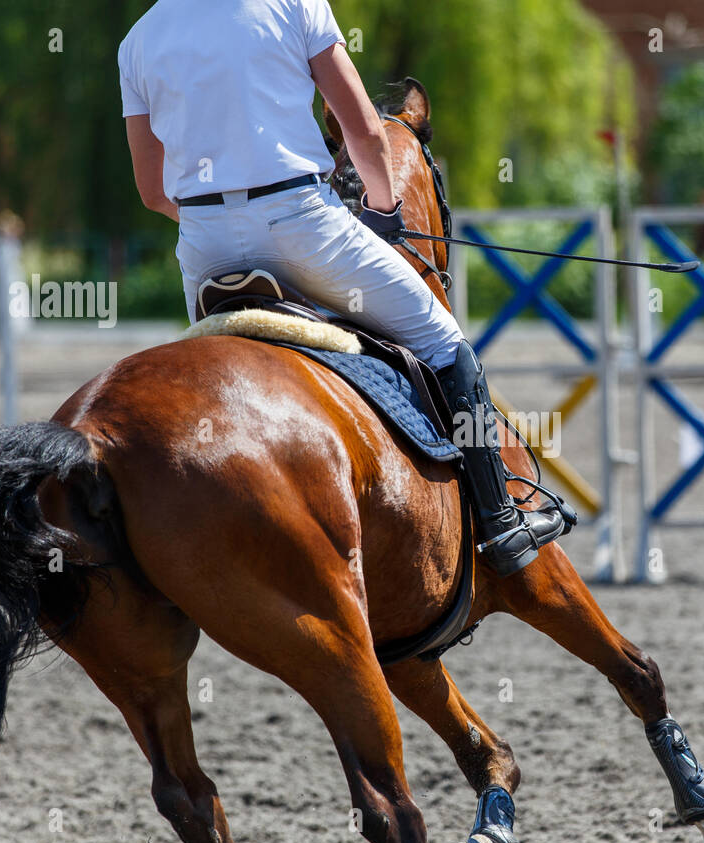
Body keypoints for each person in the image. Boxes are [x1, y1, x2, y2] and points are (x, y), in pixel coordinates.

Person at [117, 0, 571, 575]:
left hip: (204, 247)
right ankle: (501, 520)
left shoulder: (138, 39)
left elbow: (153, 192)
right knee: (444, 340)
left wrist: (222, 225)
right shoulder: (294, 5)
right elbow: (362, 131)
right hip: (301, 223)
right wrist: (383, 211)